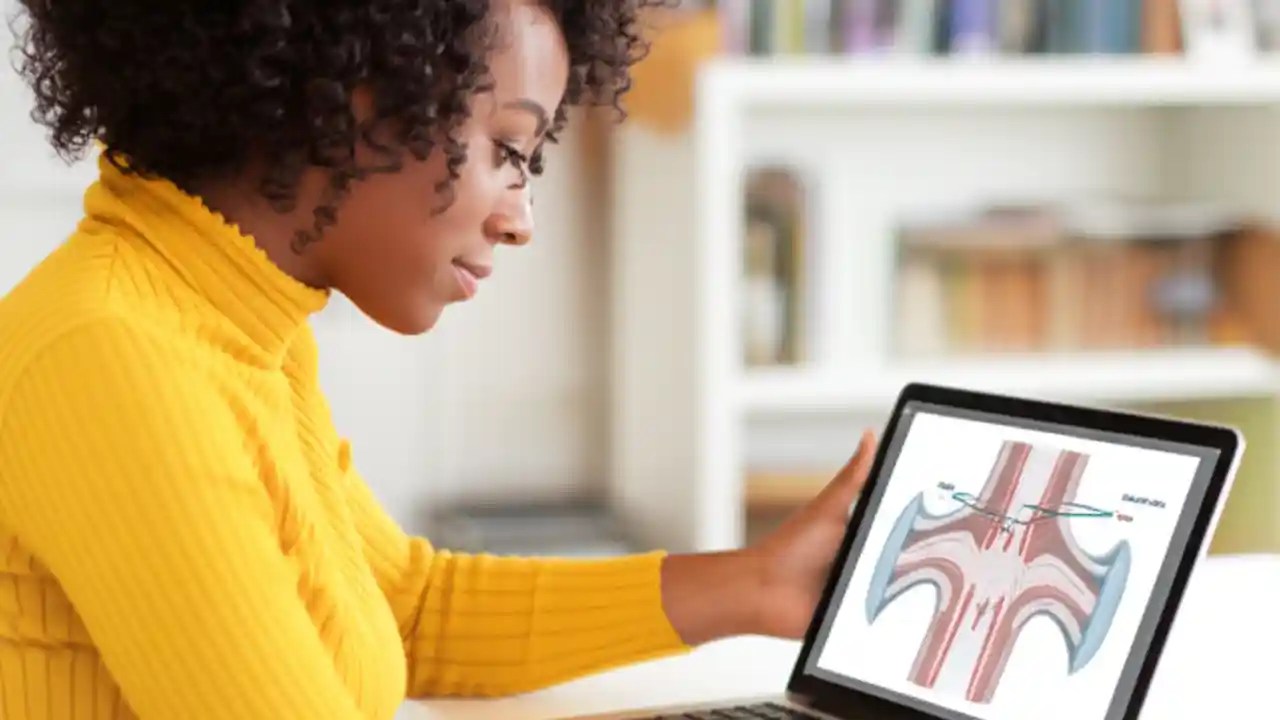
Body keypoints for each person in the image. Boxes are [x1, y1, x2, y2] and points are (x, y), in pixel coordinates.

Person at [0, 1, 876, 718]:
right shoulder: (117, 355)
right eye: (508, 151)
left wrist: (758, 583)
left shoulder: (237, 326)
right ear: (355, 101)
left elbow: (408, 611)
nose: (519, 218)